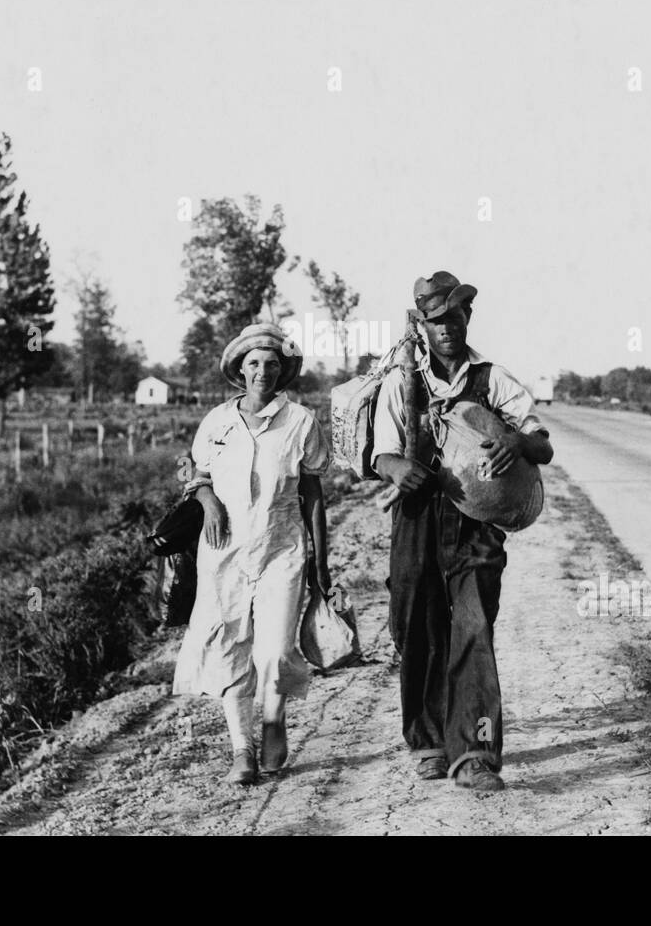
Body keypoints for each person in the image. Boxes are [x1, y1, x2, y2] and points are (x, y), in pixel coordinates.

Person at [372, 271, 553, 792]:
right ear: (421, 326)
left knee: (472, 626)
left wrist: (517, 443)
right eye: (435, 321)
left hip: (477, 523)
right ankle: (428, 741)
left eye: (454, 317)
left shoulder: (493, 379)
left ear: (467, 318)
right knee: (416, 624)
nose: (446, 328)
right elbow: (379, 453)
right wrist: (394, 467)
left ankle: (474, 753)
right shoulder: (400, 380)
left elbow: (543, 444)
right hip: (416, 517)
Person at [173, 322, 331, 786]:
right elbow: (196, 475)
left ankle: (274, 718)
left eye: (272, 364)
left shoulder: (300, 421)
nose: (263, 371)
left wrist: (321, 562)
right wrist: (209, 502)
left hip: (281, 546)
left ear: (282, 373)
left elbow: (314, 494)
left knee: (276, 648)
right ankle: (242, 748)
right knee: (228, 644)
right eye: (254, 364)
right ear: (240, 371)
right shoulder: (217, 422)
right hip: (223, 550)